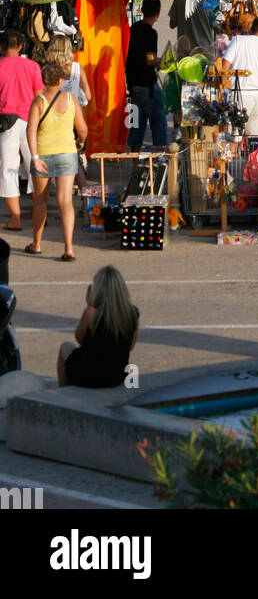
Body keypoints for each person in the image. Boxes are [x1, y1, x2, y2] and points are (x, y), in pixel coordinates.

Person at [26, 59, 87, 260]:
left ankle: (36, 243)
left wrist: (34, 156)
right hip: (67, 155)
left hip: (42, 153)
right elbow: (83, 129)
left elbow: (31, 129)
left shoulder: (39, 101)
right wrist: (80, 141)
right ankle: (69, 248)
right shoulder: (70, 99)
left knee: (40, 200)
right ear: (61, 80)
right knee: (65, 201)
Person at [58, 266, 140, 388]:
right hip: (116, 376)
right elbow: (130, 346)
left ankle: (65, 392)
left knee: (65, 347)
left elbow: (79, 339)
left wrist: (89, 304)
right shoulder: (132, 313)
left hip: (89, 376)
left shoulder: (91, 312)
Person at [0, 29, 43, 232]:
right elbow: (40, 96)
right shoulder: (32, 66)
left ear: (1, 47)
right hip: (30, 122)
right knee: (34, 167)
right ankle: (39, 212)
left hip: (6, 123)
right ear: (20, 47)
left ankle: (15, 219)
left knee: (8, 170)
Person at [220, 17, 258, 138]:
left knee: (233, 139)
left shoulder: (238, 41)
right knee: (256, 142)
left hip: (237, 95)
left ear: (251, 29)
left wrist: (221, 95)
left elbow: (223, 68)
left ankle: (231, 156)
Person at [125, 0, 167, 152]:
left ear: (142, 10)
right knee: (158, 121)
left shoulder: (133, 28)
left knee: (137, 122)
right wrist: (162, 62)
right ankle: (159, 158)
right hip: (147, 85)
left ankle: (135, 161)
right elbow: (150, 59)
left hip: (133, 83)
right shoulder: (151, 33)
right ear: (157, 13)